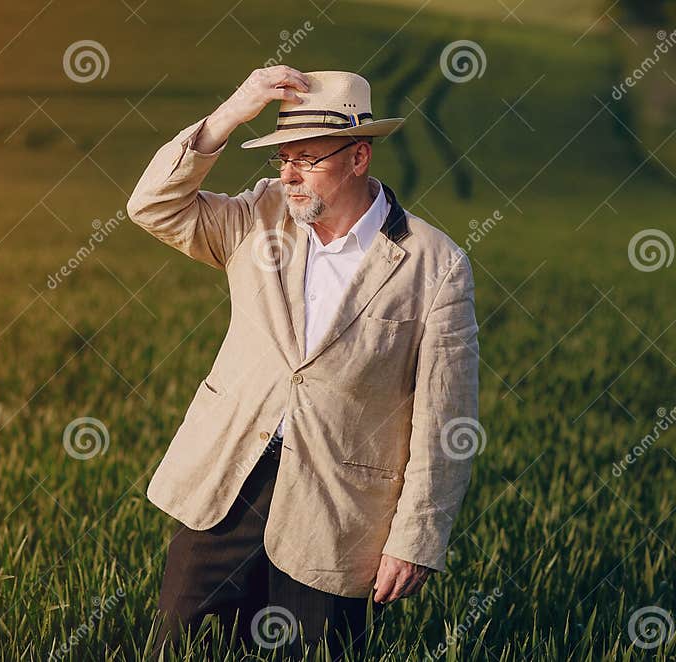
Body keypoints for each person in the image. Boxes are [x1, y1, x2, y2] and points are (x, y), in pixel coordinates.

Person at [126, 66, 481, 660]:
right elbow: (153, 205)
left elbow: (445, 418)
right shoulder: (257, 216)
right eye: (282, 157)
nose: (288, 175)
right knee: (178, 647)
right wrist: (231, 112)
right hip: (230, 476)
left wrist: (417, 537)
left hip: (337, 503)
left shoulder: (434, 264)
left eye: (307, 159)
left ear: (359, 157)